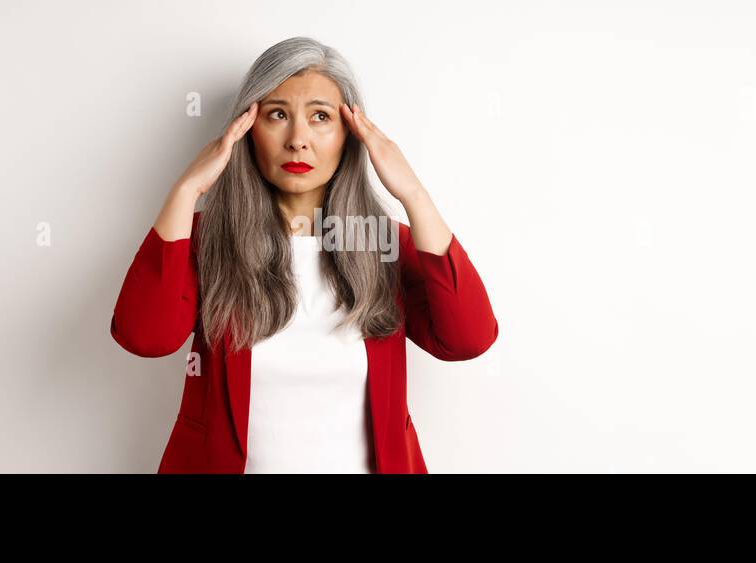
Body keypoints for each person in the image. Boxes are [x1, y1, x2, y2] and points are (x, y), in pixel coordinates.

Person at [110, 36, 498, 473]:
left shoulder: (385, 244)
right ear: (247, 127)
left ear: (350, 134)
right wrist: (186, 192)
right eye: (278, 114)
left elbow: (468, 339)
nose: (298, 139)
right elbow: (145, 337)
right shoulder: (205, 239)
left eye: (320, 117)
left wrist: (413, 194)